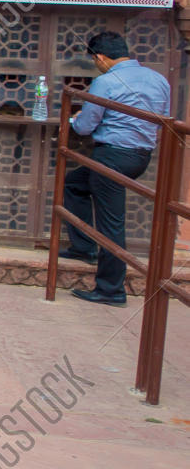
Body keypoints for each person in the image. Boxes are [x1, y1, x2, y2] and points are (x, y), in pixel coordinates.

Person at [63, 30, 171, 306]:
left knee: (111, 223)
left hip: (111, 156)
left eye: (95, 60)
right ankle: (83, 247)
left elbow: (86, 127)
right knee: (74, 184)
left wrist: (74, 120)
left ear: (100, 57)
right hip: (139, 157)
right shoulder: (159, 79)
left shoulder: (105, 81)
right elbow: (160, 122)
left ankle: (111, 290)